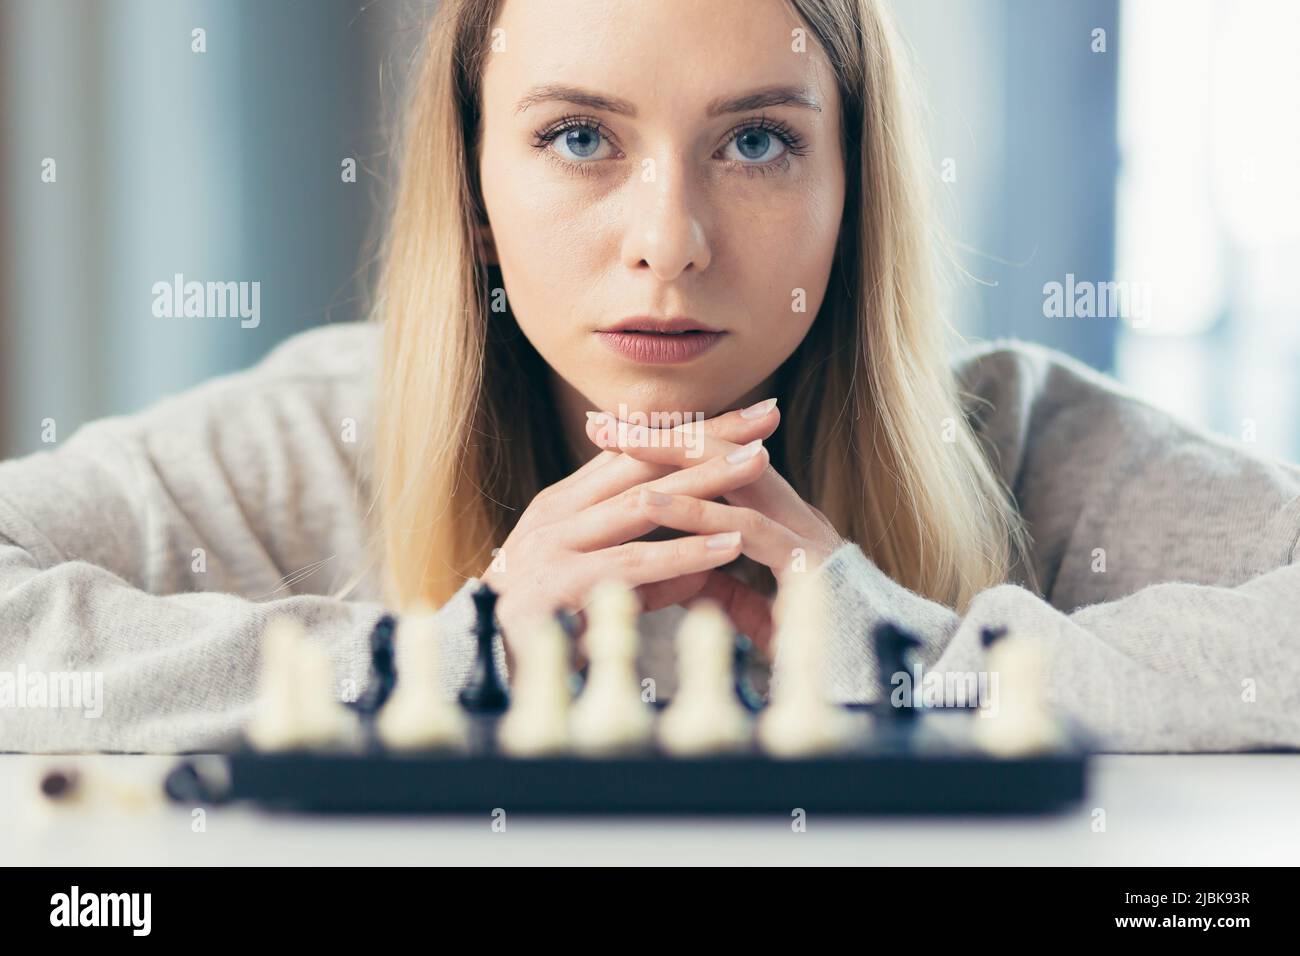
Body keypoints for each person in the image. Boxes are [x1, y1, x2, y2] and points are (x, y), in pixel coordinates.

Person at [1, 0, 1297, 753]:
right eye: (579, 138)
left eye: (755, 141)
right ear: (474, 184)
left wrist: (914, 660)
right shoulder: (308, 444)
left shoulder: (1030, 445)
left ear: (856, 181)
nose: (668, 242)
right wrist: (439, 658)